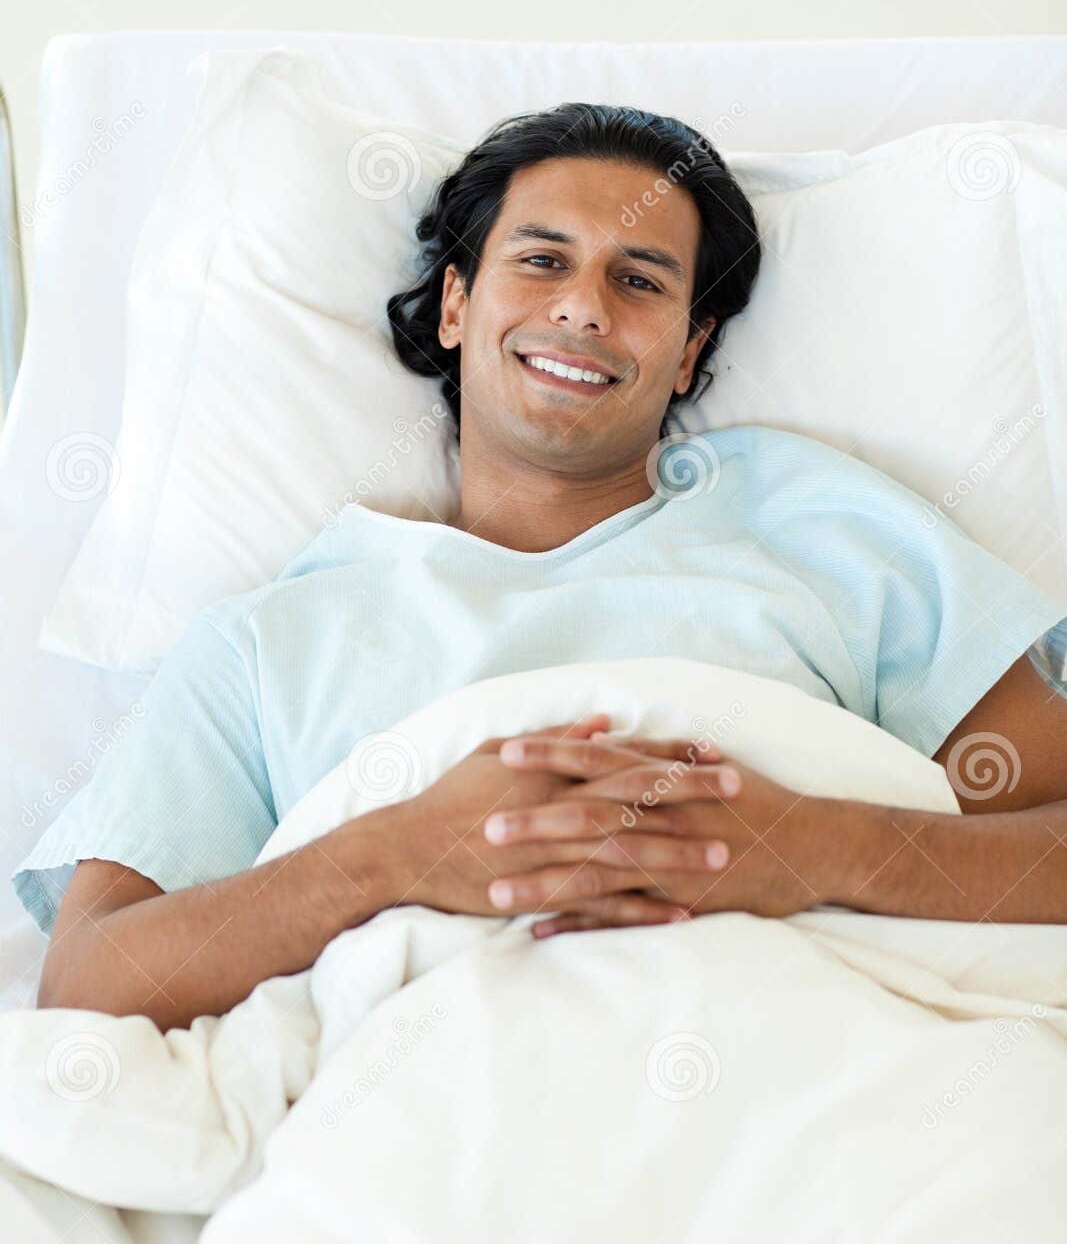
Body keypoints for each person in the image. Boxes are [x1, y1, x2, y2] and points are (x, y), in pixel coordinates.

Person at [12, 102, 1067, 1031]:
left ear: (690, 349)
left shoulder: (823, 533)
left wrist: (824, 849)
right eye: (541, 259)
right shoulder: (267, 642)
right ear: (457, 303)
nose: (582, 307)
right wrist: (393, 857)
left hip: (815, 1069)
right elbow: (92, 982)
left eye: (639, 278)